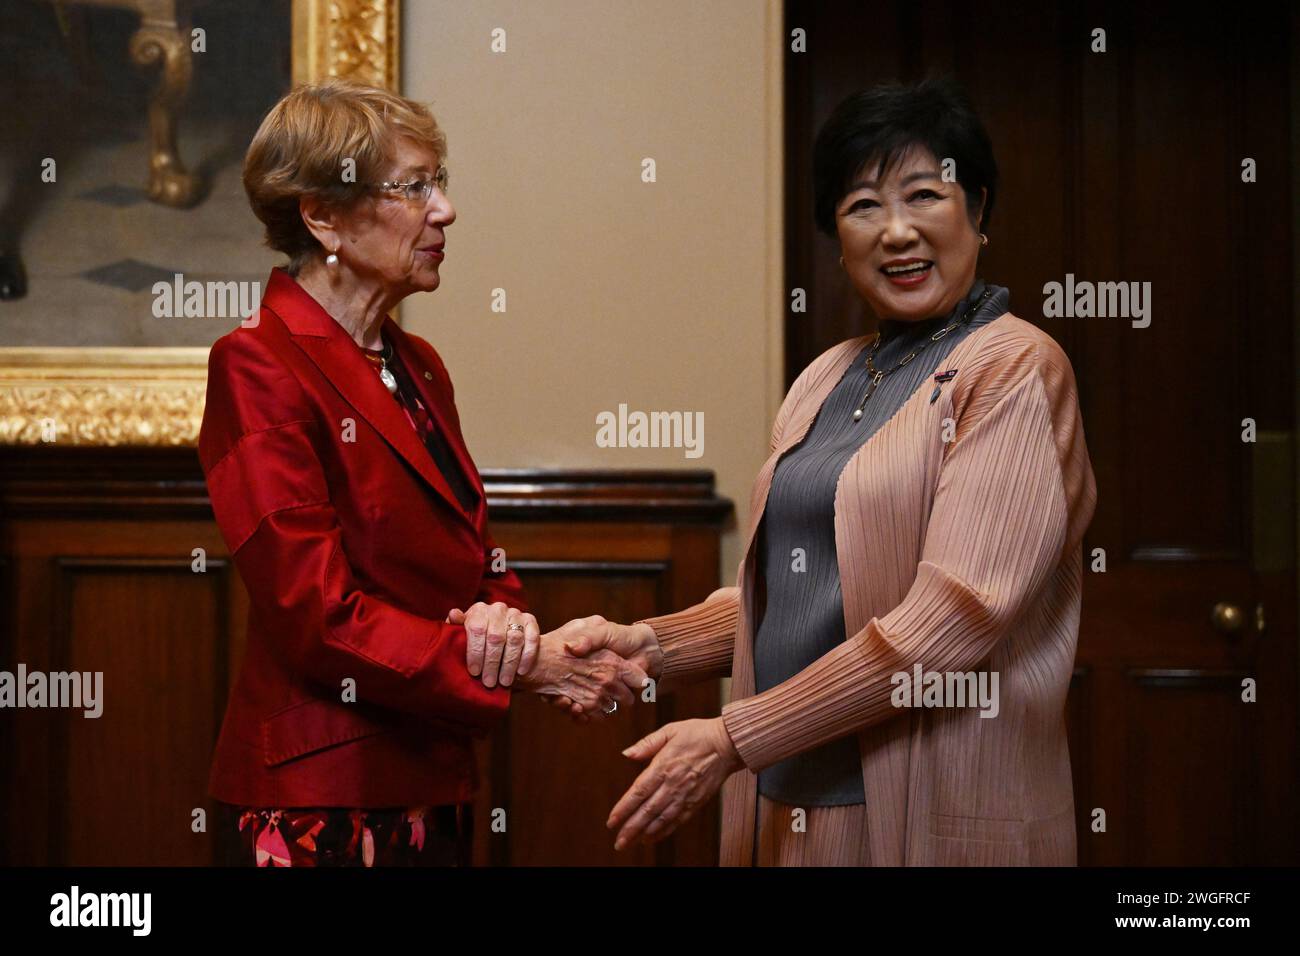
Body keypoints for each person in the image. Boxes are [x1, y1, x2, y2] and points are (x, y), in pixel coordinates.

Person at [552, 76, 1097, 865]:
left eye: (924, 195)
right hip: (791, 797)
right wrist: (650, 647)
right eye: (863, 206)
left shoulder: (1014, 367)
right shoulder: (829, 375)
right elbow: (806, 588)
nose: (897, 232)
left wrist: (735, 734)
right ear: (835, 239)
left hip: (936, 808)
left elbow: (950, 621)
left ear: (978, 209)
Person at [199, 79, 647, 867]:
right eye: (414, 188)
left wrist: (511, 625)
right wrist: (533, 665)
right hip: (320, 806)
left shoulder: (419, 366)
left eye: (441, 184)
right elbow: (317, 616)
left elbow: (477, 565)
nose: (444, 211)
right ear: (324, 215)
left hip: (430, 781)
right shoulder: (257, 365)